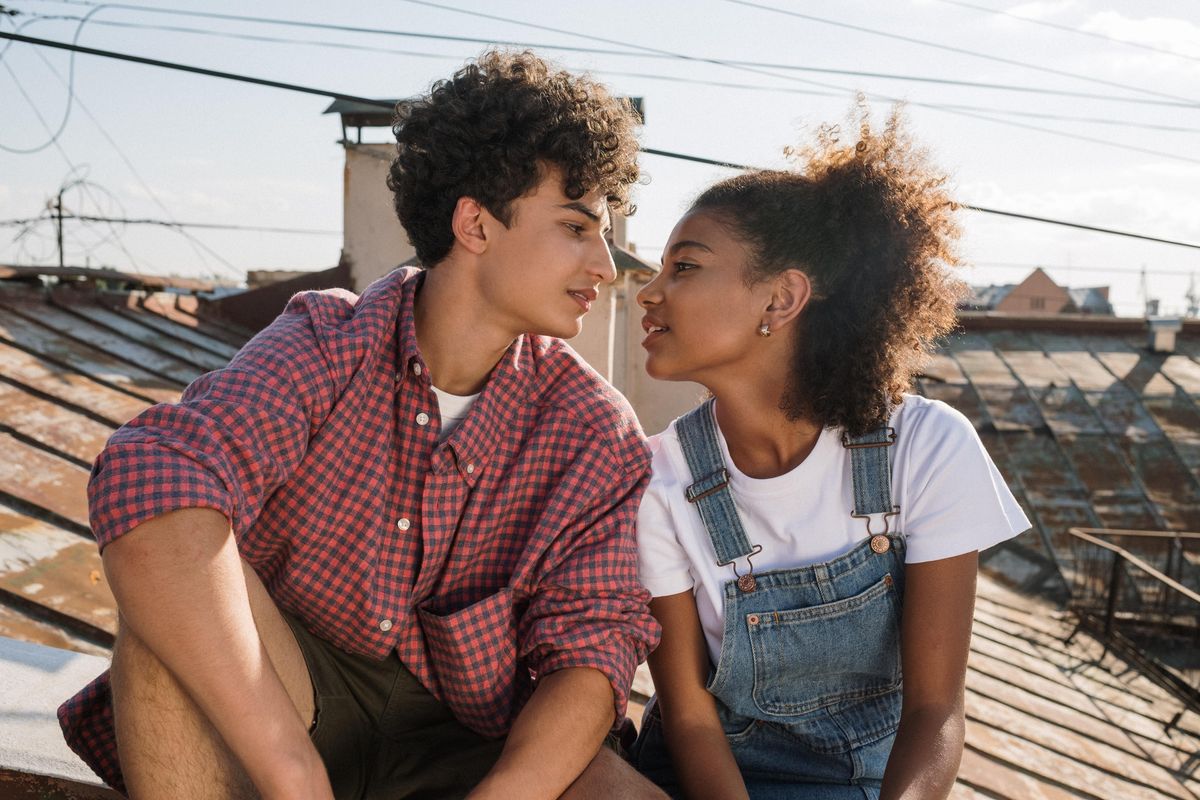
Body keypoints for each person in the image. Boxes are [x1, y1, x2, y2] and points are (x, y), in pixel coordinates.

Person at [58, 50, 666, 800]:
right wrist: (292, 773)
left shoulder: (596, 434)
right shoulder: (327, 342)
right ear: (474, 223)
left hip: (473, 747)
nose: (604, 264)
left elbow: (593, 655)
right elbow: (152, 478)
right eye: (577, 226)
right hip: (291, 706)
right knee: (163, 628)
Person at [628, 108, 1029, 799]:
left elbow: (935, 711)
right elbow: (691, 719)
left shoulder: (926, 448)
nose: (650, 290)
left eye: (685, 267)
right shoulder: (658, 478)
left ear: (782, 298)